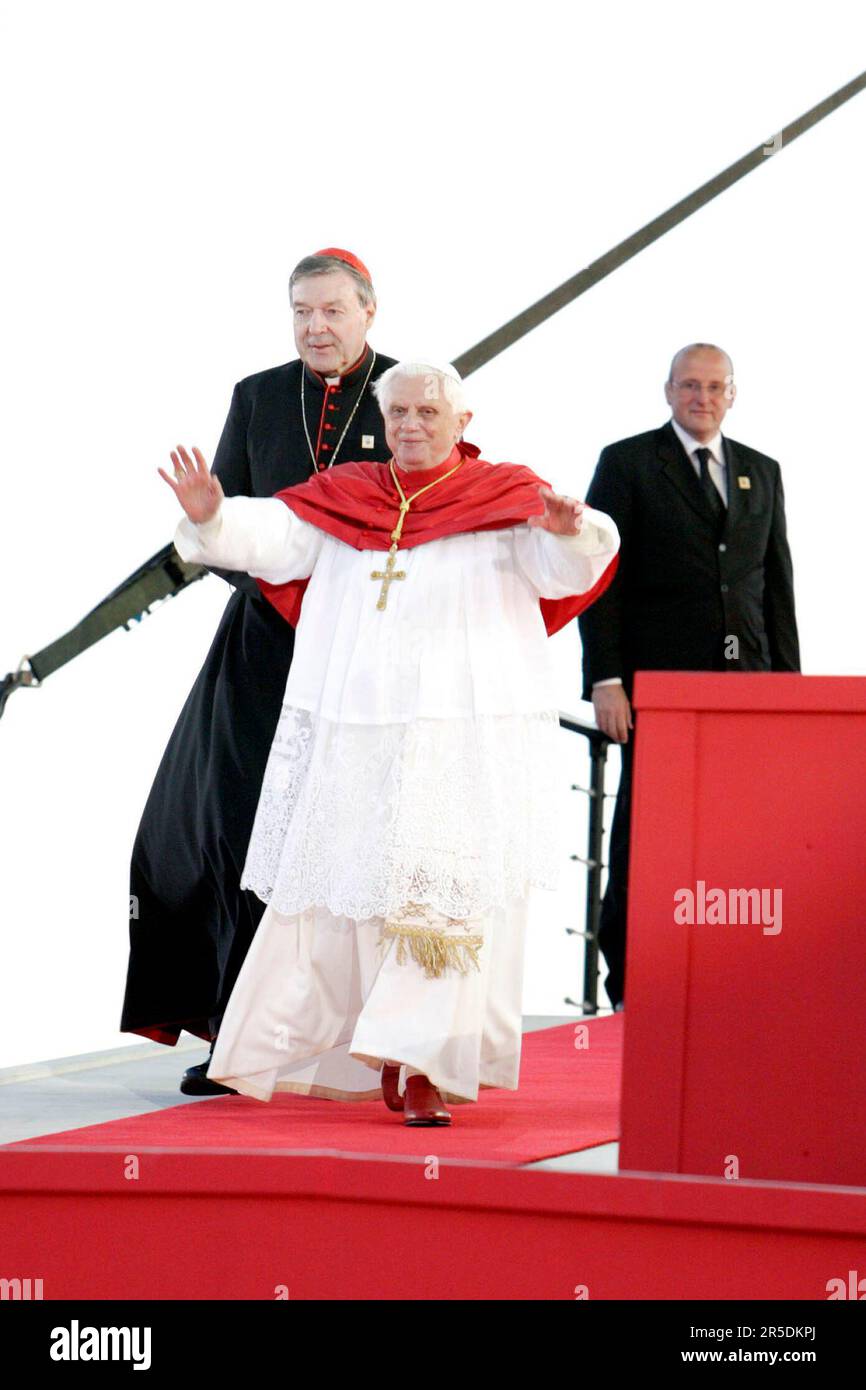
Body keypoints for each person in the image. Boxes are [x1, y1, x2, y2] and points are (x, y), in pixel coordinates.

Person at [165, 361, 620, 1124]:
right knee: (359, 894)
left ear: (461, 422)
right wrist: (215, 519)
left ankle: (422, 1068)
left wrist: (574, 532)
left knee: (436, 901)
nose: (412, 424)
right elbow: (277, 537)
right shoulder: (349, 497)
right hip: (359, 734)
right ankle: (372, 1047)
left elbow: (560, 567)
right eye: (400, 412)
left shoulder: (508, 497)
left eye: (428, 413)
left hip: (458, 736)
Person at [121, 249, 398, 1095]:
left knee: (360, 840)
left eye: (331, 312)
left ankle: (378, 1042)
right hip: (262, 647)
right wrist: (263, 571)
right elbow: (225, 525)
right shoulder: (257, 394)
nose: (315, 327)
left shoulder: (407, 394)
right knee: (227, 834)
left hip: (367, 655)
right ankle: (235, 1039)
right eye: (301, 313)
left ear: (367, 312)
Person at [578, 343, 800, 1010]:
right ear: (667, 390)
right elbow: (600, 577)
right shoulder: (628, 463)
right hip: (658, 692)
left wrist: (789, 696)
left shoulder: (761, 471)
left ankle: (732, 977)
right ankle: (630, 985)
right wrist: (607, 678)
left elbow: (776, 587)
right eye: (690, 385)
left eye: (715, 386)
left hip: (747, 690)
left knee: (740, 840)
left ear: (733, 394)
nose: (702, 397)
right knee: (648, 837)